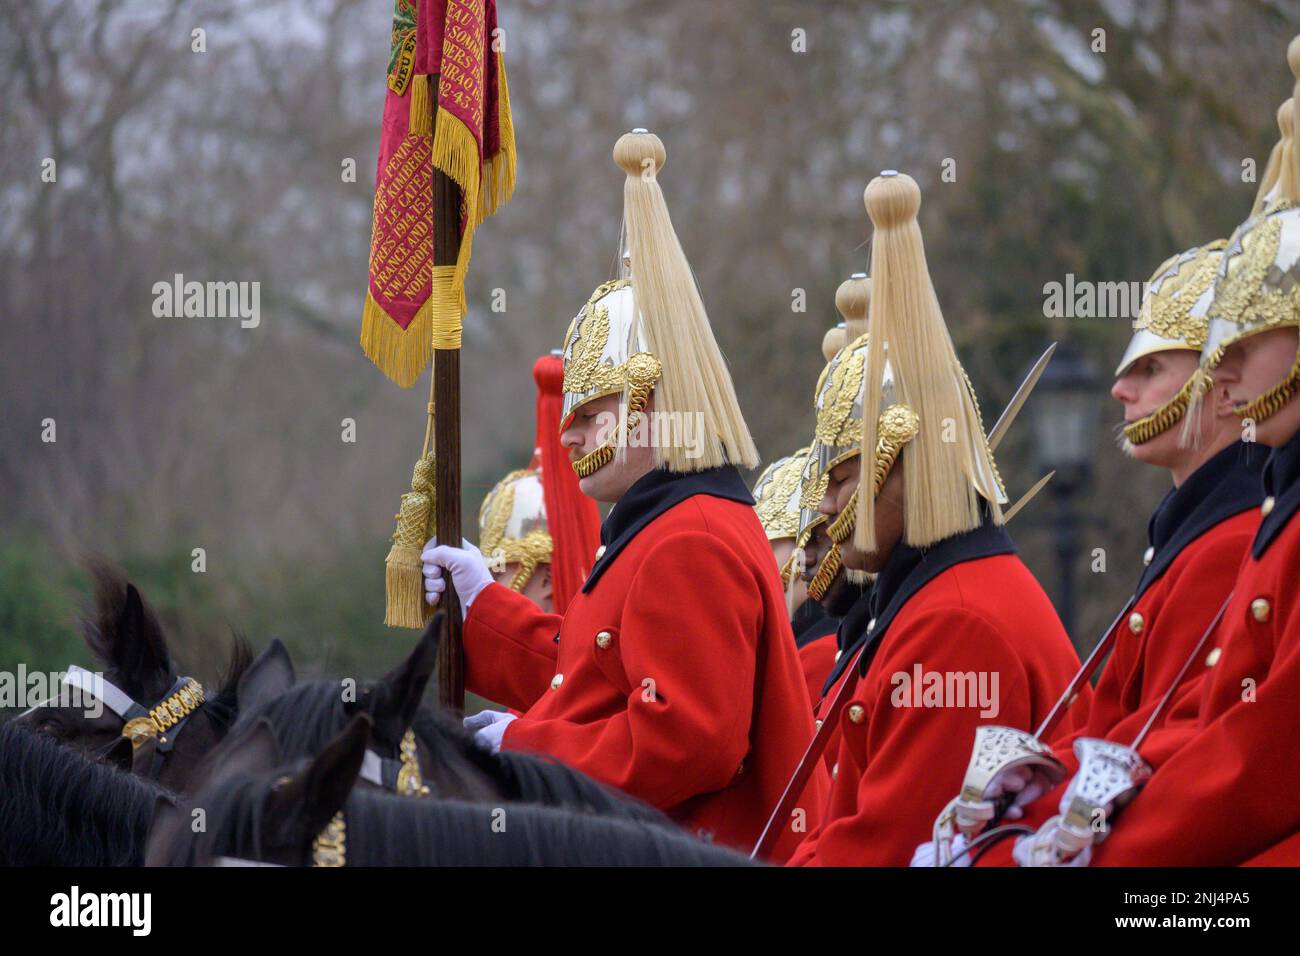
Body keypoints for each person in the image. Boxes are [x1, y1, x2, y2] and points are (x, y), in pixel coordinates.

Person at [422, 130, 824, 862]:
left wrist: (527, 750)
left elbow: (688, 742)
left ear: (654, 403)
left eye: (592, 413)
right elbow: (587, 675)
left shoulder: (691, 538)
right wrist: (482, 607)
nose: (570, 436)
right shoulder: (664, 527)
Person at [780, 170, 1084, 866]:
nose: (824, 506)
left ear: (906, 463)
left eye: (843, 475)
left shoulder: (956, 623)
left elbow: (888, 847)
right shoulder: (928, 603)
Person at [951, 240, 1267, 866]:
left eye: (1152, 370)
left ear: (1224, 383)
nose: (1122, 389)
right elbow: (1111, 735)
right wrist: (1034, 785)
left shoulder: (1227, 544)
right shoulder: (1191, 535)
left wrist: (1047, 834)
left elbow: (1167, 752)